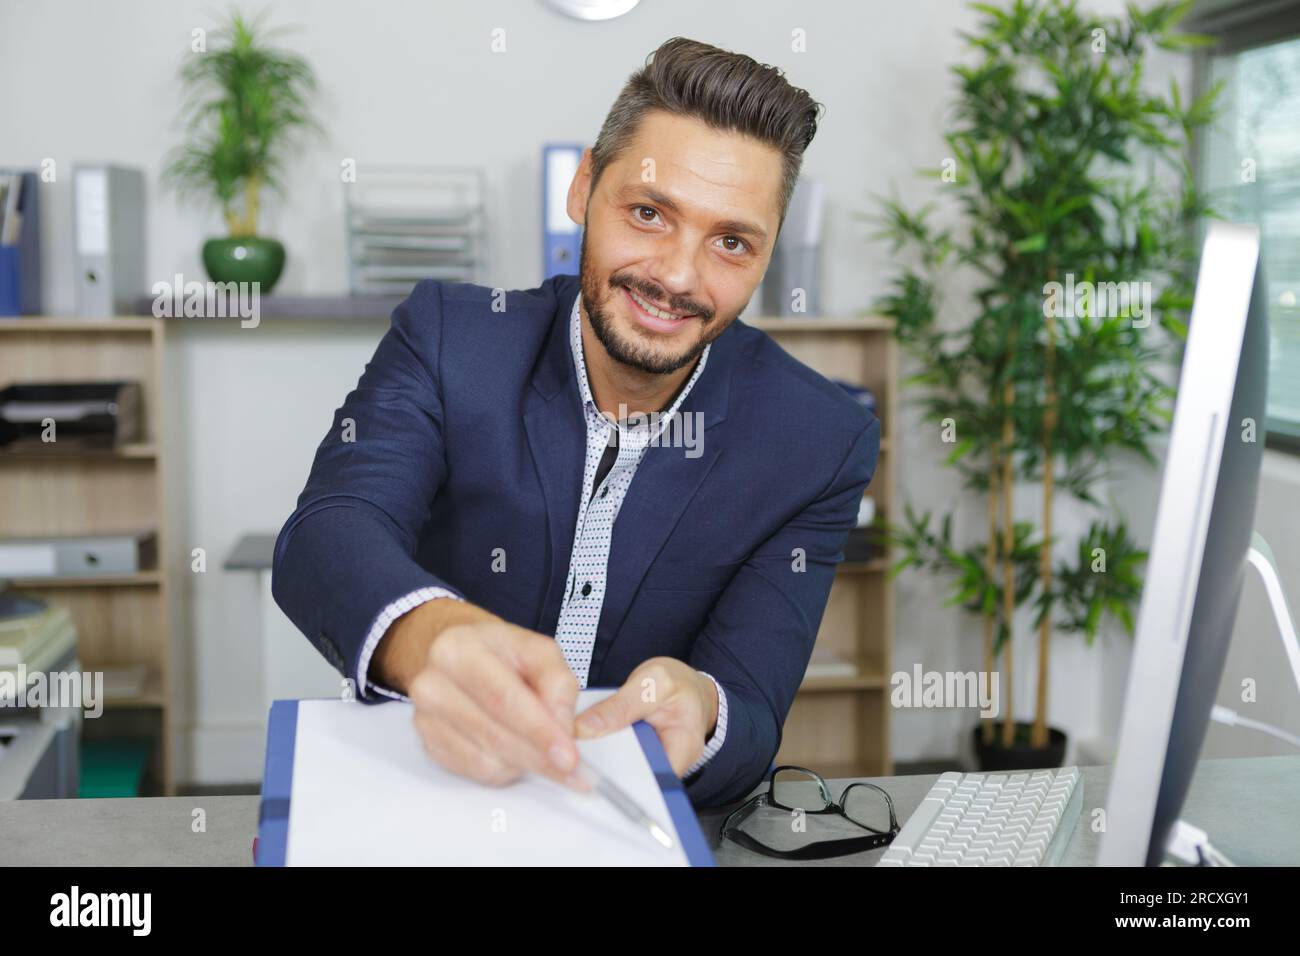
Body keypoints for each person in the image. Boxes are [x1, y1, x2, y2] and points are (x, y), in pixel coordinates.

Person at [272, 37, 880, 808]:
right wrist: (436, 637)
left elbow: (752, 712)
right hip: (420, 791)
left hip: (626, 823)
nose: (678, 277)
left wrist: (702, 709)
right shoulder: (449, 338)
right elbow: (326, 535)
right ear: (583, 186)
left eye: (731, 241)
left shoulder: (818, 440)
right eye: (650, 213)